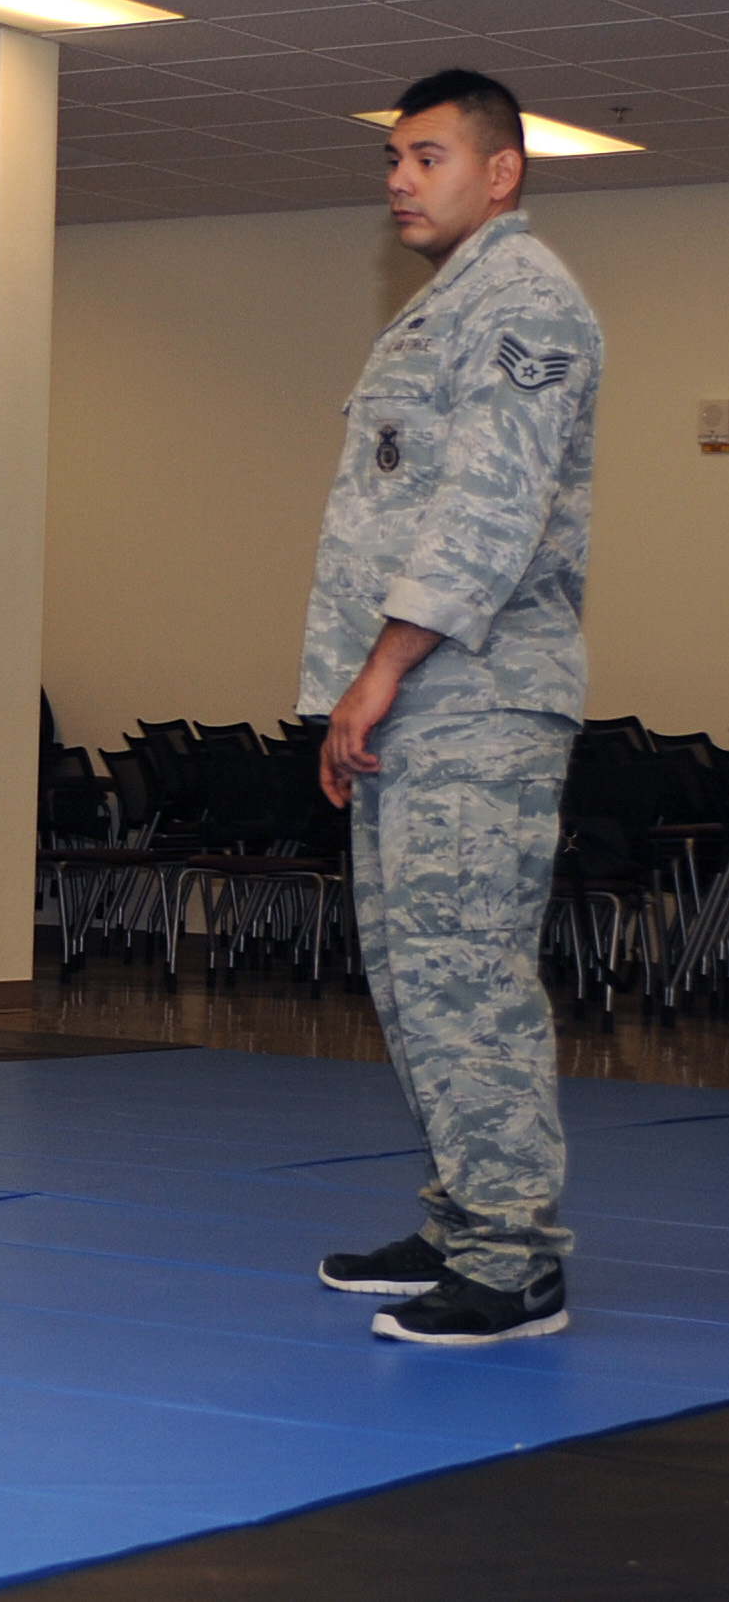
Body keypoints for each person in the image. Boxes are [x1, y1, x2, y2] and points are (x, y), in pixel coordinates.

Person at [303, 69, 600, 1347]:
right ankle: (465, 1214)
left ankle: (516, 1257)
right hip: (417, 705)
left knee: (467, 977)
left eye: (426, 157)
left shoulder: (526, 302)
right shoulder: (447, 306)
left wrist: (380, 672)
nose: (400, 180)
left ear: (502, 169)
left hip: (471, 700)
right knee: (416, 977)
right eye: (392, 160)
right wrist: (354, 694)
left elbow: (489, 513)